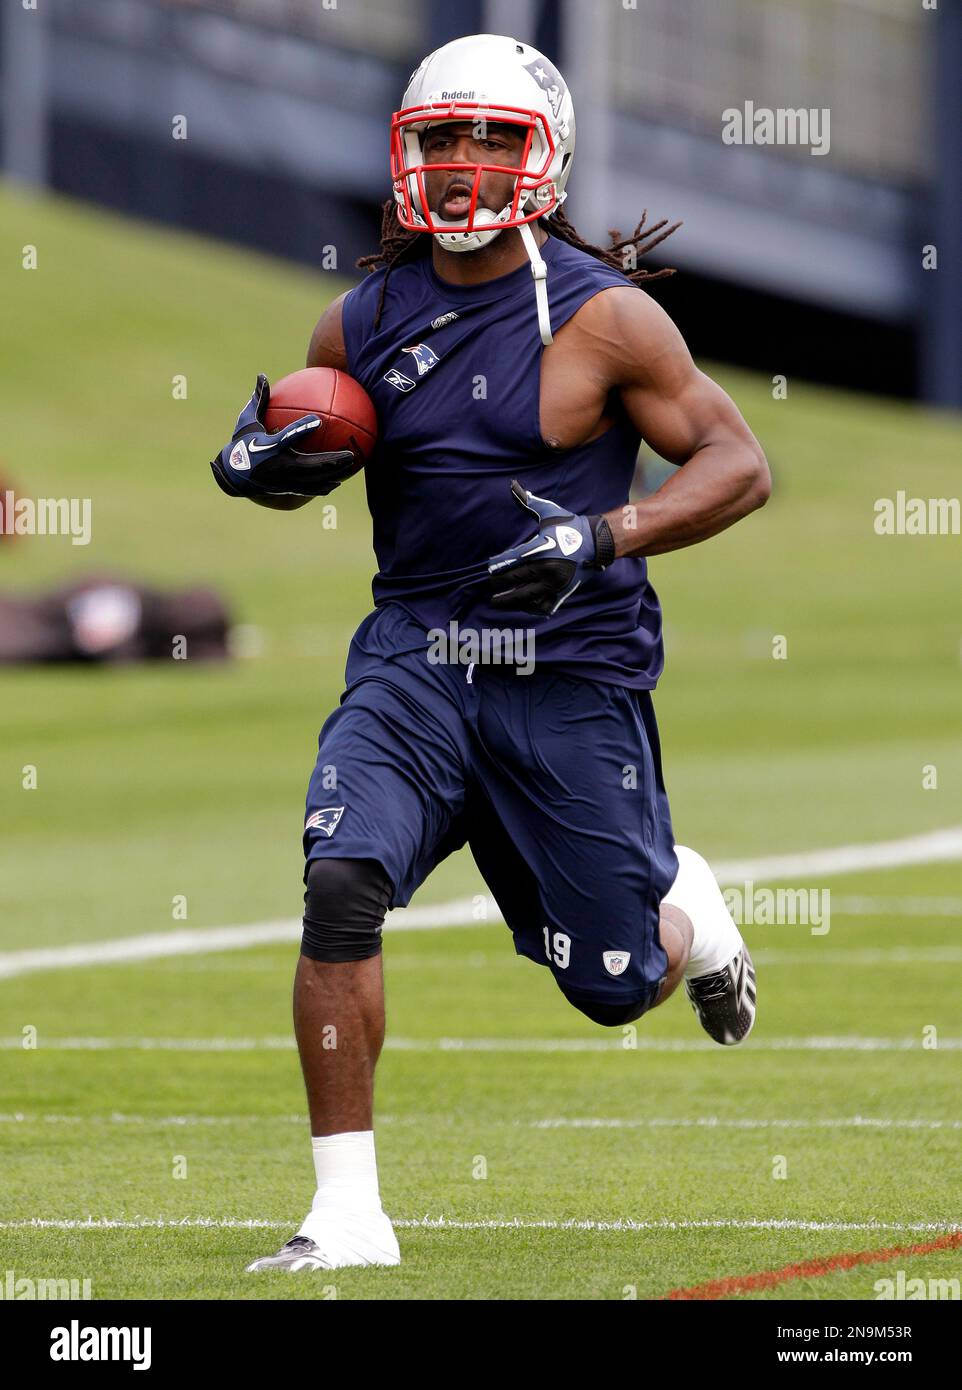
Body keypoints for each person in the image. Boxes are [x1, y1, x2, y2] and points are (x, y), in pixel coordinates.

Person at [209, 34, 770, 1274]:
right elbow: (316, 446)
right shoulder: (355, 318)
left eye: (491, 139)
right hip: (414, 658)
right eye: (439, 138)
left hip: (565, 671)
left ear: (546, 157)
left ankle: (690, 904)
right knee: (340, 880)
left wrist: (600, 533)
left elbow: (738, 465)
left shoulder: (607, 317)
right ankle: (348, 1216)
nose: (462, 165)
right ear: (403, 154)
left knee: (616, 984)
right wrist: (259, 462)